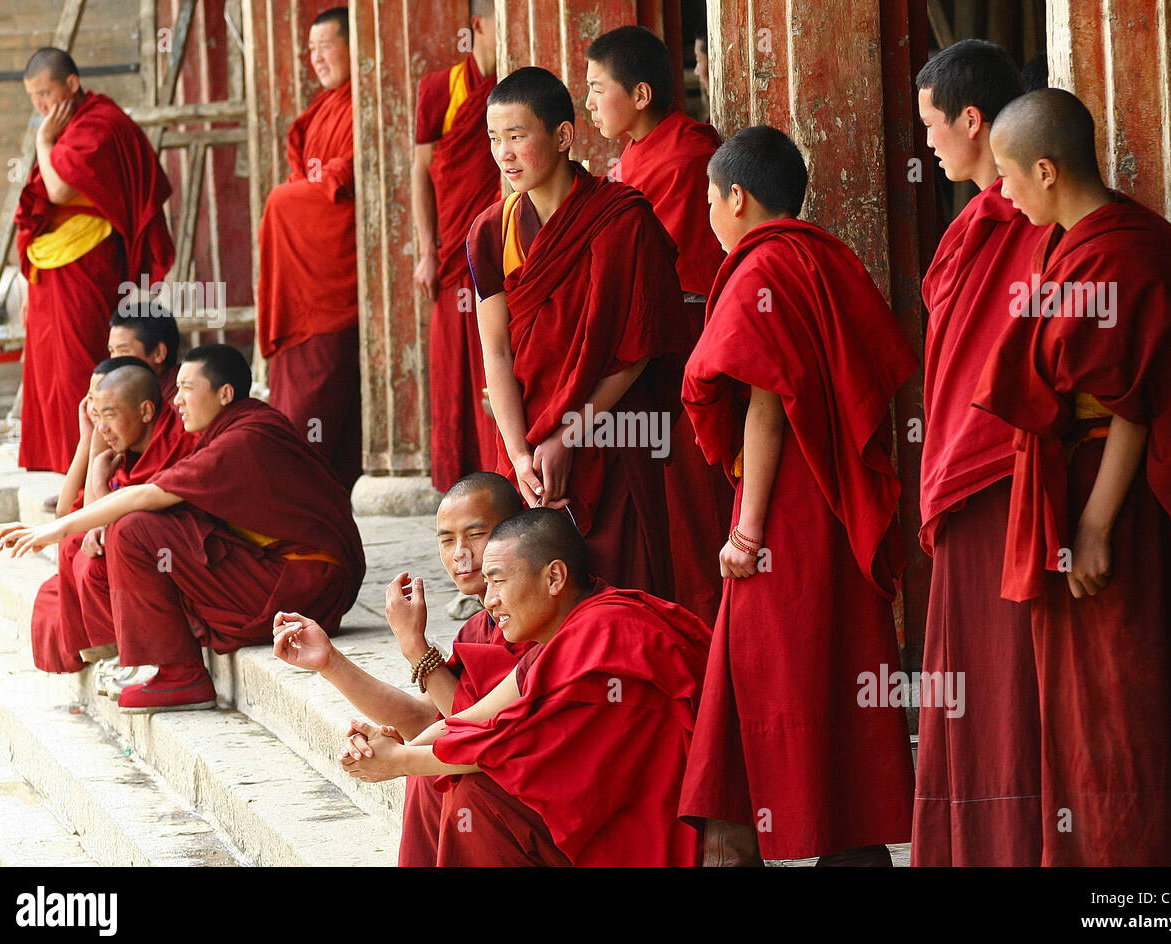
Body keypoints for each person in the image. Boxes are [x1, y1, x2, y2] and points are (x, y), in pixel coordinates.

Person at [973, 87, 1171, 866]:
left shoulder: (1121, 254)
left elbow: (1137, 399)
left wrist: (1096, 525)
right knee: (1089, 718)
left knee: (1131, 719)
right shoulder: (1087, 241)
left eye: (1006, 177)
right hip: (1085, 492)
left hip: (1123, 513)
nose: (1001, 193)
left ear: (1045, 168)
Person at [676, 126, 917, 866]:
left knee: (762, 683)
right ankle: (850, 843)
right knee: (834, 671)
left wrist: (746, 534)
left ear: (737, 198)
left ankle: (758, 839)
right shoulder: (824, 258)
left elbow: (766, 404)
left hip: (784, 513)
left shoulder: (762, 271)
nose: (709, 216)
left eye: (710, 201)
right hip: (838, 503)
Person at [0, 344, 366, 715]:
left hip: (307, 581)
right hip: (297, 574)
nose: (177, 401)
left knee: (134, 530)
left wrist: (52, 530)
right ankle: (165, 664)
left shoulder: (244, 437)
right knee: (142, 530)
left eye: (186, 388)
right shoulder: (234, 427)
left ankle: (181, 674)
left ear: (225, 394)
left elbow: (149, 495)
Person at [338, 508, 711, 866]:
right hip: (591, 812)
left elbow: (512, 745)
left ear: (554, 578)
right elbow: (473, 719)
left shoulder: (607, 633)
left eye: (498, 580)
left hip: (641, 836)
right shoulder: (562, 637)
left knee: (476, 796)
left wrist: (400, 761)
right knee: (434, 775)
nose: (489, 600)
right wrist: (388, 749)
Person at [467, 66, 687, 599]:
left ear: (563, 136)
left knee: (617, 578)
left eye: (518, 136)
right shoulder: (490, 231)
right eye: (495, 139)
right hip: (523, 444)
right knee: (529, 585)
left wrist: (571, 435)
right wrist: (520, 455)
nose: (505, 154)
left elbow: (640, 348)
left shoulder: (622, 220)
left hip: (610, 436)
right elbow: (495, 350)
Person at [911, 39, 1046, 867]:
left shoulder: (1023, 222)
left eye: (933, 125)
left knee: (1002, 680)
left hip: (1003, 480)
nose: (926, 144)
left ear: (973, 119)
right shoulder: (977, 223)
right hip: (969, 475)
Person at [273, 471, 524, 865]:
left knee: (456, 786)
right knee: (432, 767)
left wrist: (414, 647)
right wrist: (330, 662)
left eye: (475, 535)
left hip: (553, 802)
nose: (460, 553)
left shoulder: (540, 620)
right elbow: (427, 717)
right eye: (446, 540)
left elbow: (481, 733)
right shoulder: (479, 627)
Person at [585, 25, 733, 623]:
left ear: (640, 94)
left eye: (598, 88)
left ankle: (708, 632)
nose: (589, 101)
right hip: (646, 343)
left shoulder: (689, 154)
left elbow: (658, 268)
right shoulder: (634, 156)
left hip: (686, 346)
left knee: (694, 502)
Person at [16, 47, 174, 473]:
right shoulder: (74, 124)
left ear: (71, 83)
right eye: (34, 99)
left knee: (78, 368)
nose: (42, 107)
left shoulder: (100, 124)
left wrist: (43, 141)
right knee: (49, 372)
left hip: (87, 261)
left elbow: (60, 191)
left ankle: (92, 470)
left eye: (46, 94)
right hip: (53, 263)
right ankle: (66, 471)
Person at [27, 358, 192, 676]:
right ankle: (111, 647)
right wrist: (89, 443)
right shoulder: (124, 446)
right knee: (73, 556)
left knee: (103, 551)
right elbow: (71, 512)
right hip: (145, 550)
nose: (99, 422)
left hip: (174, 553)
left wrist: (99, 486)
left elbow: (132, 507)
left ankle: (131, 651)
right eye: (93, 409)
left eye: (108, 412)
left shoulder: (174, 439)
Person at [256, 6, 361, 491]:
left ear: (353, 45)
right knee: (297, 407)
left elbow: (346, 179)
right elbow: (315, 179)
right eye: (311, 49)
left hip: (329, 281)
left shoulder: (366, 99)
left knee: (282, 199)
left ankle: (307, 493)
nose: (317, 58)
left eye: (327, 46)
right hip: (302, 279)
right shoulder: (322, 106)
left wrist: (297, 197)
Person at [413, 0, 502, 490]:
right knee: (454, 372)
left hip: (500, 251)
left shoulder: (512, 86)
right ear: (479, 25)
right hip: (452, 256)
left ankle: (501, 475)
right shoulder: (439, 90)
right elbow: (421, 172)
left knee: (499, 363)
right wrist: (427, 249)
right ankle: (463, 484)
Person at [108, 308, 182, 400]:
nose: (113, 363)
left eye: (124, 351)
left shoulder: (179, 401)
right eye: (112, 351)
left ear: (158, 353)